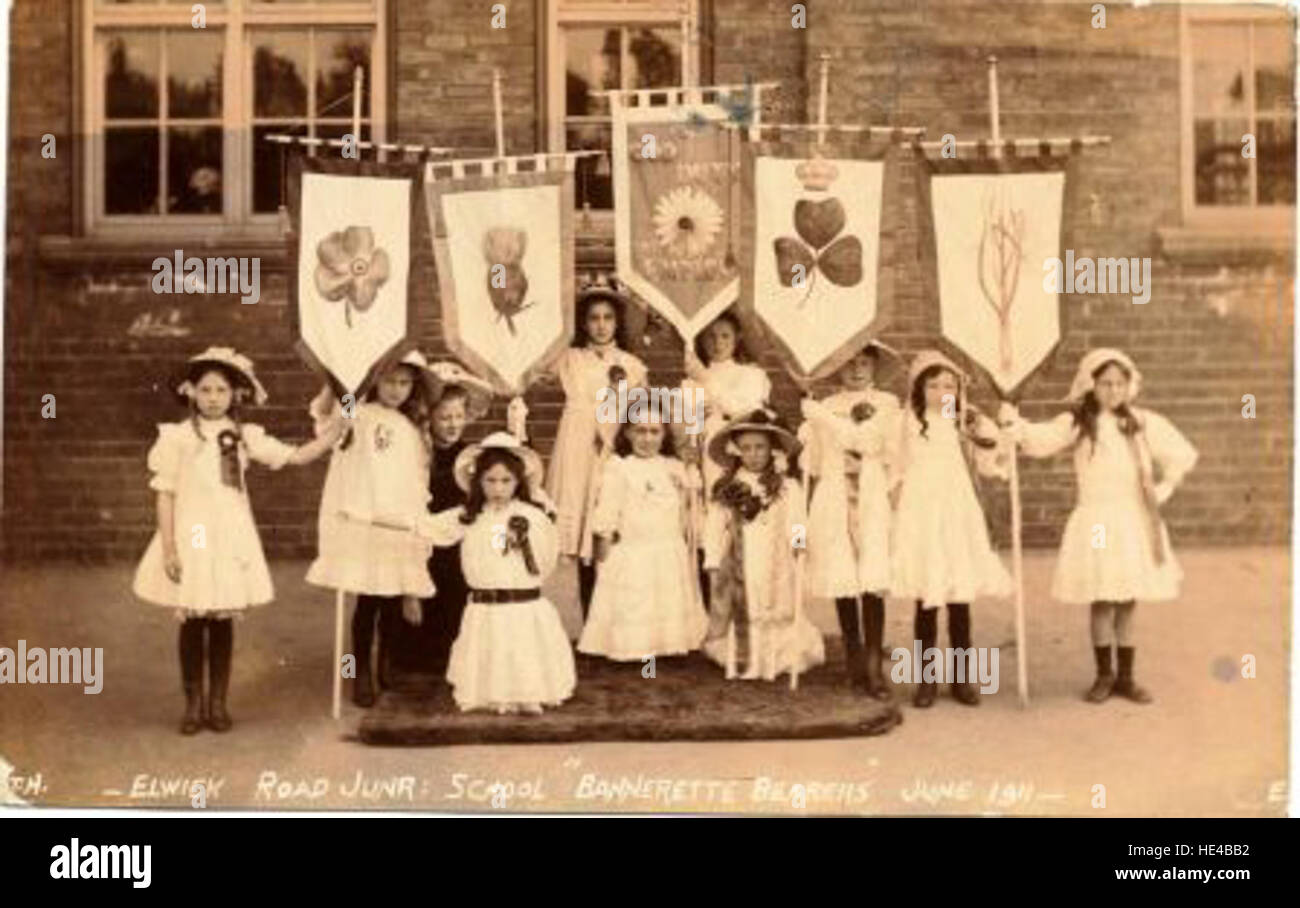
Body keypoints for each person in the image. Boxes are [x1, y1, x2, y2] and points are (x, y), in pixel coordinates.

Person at [133, 347, 342, 734]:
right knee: (194, 616)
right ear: (191, 391)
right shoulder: (177, 437)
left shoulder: (245, 436)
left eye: (222, 391)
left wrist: (336, 432)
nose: (213, 398)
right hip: (193, 533)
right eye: (206, 390)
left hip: (229, 535)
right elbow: (166, 493)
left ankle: (218, 703)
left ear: (236, 395)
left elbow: (295, 456)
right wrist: (170, 547)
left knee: (222, 617)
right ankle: (193, 703)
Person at [1002, 348, 1197, 704]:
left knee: (1127, 597)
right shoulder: (1078, 421)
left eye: (1120, 383)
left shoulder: (1140, 422)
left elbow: (1180, 454)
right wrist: (1016, 425)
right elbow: (1041, 440)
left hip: (1133, 519)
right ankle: (1103, 674)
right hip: (1097, 519)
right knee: (1103, 594)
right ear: (1091, 385)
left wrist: (1164, 487)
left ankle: (1126, 676)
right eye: (1105, 383)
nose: (1113, 391)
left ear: (1130, 385)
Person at [305, 350, 441, 707]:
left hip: (398, 523)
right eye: (389, 381)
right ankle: (357, 671)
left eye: (404, 383)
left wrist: (416, 522)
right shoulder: (358, 413)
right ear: (375, 380)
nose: (396, 390)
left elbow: (415, 477)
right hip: (366, 520)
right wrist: (340, 377)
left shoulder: (413, 428)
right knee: (368, 600)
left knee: (393, 599)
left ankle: (386, 666)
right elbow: (327, 414)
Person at [420, 433, 576, 714]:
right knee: (492, 650)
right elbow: (428, 528)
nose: (498, 489)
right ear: (478, 481)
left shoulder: (532, 516)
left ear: (519, 482)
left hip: (523, 602)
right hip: (486, 605)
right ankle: (493, 693)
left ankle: (528, 692)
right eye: (490, 481)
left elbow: (547, 553)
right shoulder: (468, 515)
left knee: (522, 649)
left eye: (506, 481)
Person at [890, 350, 1012, 708]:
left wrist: (1000, 428)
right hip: (922, 512)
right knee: (926, 598)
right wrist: (896, 502)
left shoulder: (966, 421)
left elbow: (992, 457)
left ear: (959, 390)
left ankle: (961, 678)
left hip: (957, 511)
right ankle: (926, 680)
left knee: (959, 597)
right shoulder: (907, 422)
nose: (942, 393)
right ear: (918, 389)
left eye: (949, 385)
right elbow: (894, 464)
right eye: (933, 385)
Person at [798, 341, 902, 699]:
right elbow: (812, 462)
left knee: (871, 579)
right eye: (849, 363)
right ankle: (853, 657)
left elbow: (871, 443)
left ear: (874, 369)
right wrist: (808, 432)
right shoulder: (826, 405)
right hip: (835, 496)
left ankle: (874, 663)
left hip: (871, 496)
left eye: (864, 364)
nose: (857, 370)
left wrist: (819, 418)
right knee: (843, 577)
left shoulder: (887, 405)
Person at [543, 276, 647, 619]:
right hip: (576, 445)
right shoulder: (569, 359)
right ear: (583, 323)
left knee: (610, 525)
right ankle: (587, 619)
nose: (601, 326)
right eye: (593, 318)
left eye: (608, 318)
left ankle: (615, 621)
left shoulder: (632, 366)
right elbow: (535, 367)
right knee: (582, 528)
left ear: (617, 322)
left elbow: (639, 415)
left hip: (612, 448)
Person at [701, 409, 825, 681]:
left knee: (777, 602)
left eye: (760, 447)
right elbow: (714, 524)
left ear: (772, 450)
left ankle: (776, 659)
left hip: (777, 555)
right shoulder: (729, 486)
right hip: (741, 556)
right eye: (746, 448)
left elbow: (797, 521)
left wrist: (799, 545)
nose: (753, 454)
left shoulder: (786, 485)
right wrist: (711, 558)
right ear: (737, 451)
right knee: (745, 604)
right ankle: (745, 658)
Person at [578, 410, 708, 661]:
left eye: (654, 432)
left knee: (665, 598)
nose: (647, 439)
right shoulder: (619, 468)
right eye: (640, 431)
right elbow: (607, 512)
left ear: (664, 435)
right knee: (635, 600)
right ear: (627, 433)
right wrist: (603, 550)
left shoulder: (674, 467)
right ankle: (634, 648)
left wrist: (691, 476)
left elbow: (690, 509)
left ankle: (664, 646)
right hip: (633, 548)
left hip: (667, 547)